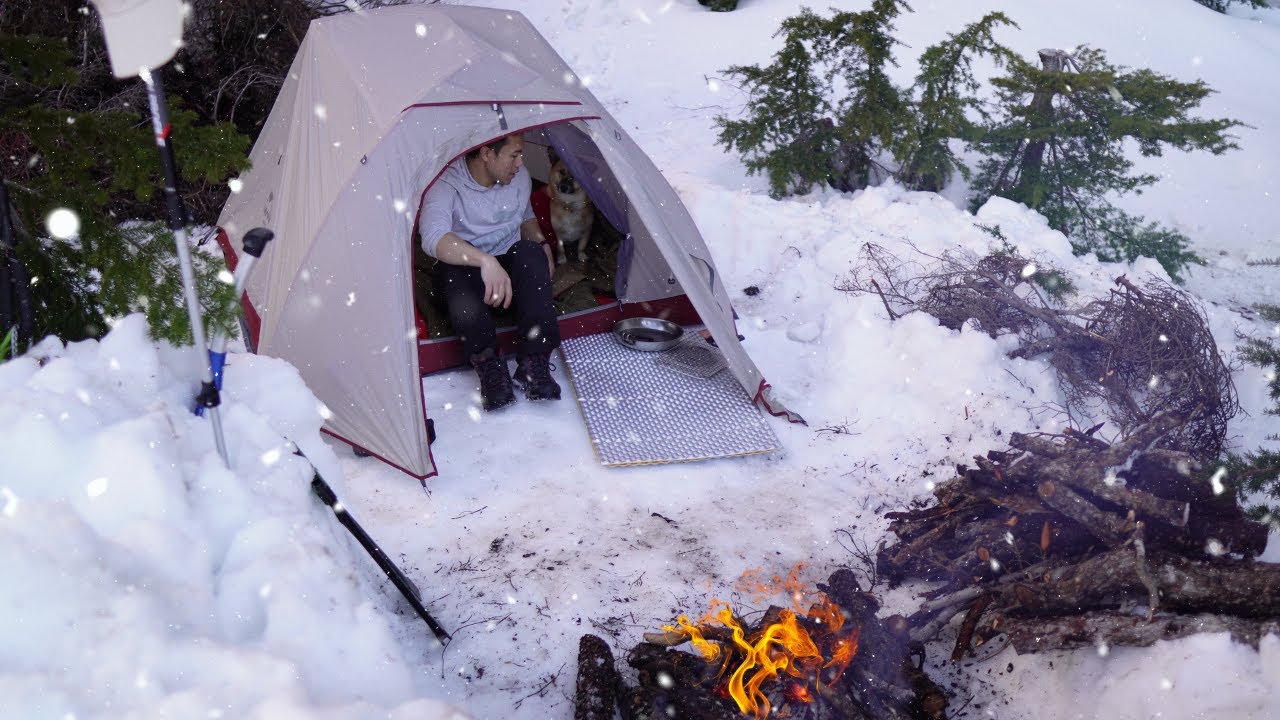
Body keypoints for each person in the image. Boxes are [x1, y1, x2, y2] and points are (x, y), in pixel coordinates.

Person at [419, 133, 562, 412]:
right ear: (487, 153)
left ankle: (534, 363)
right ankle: (490, 366)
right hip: (468, 272)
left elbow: (524, 215)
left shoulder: (517, 176)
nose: (520, 162)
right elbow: (433, 238)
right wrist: (485, 261)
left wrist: (542, 243)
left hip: (509, 272)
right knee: (451, 272)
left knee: (531, 254)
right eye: (514, 154)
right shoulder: (447, 184)